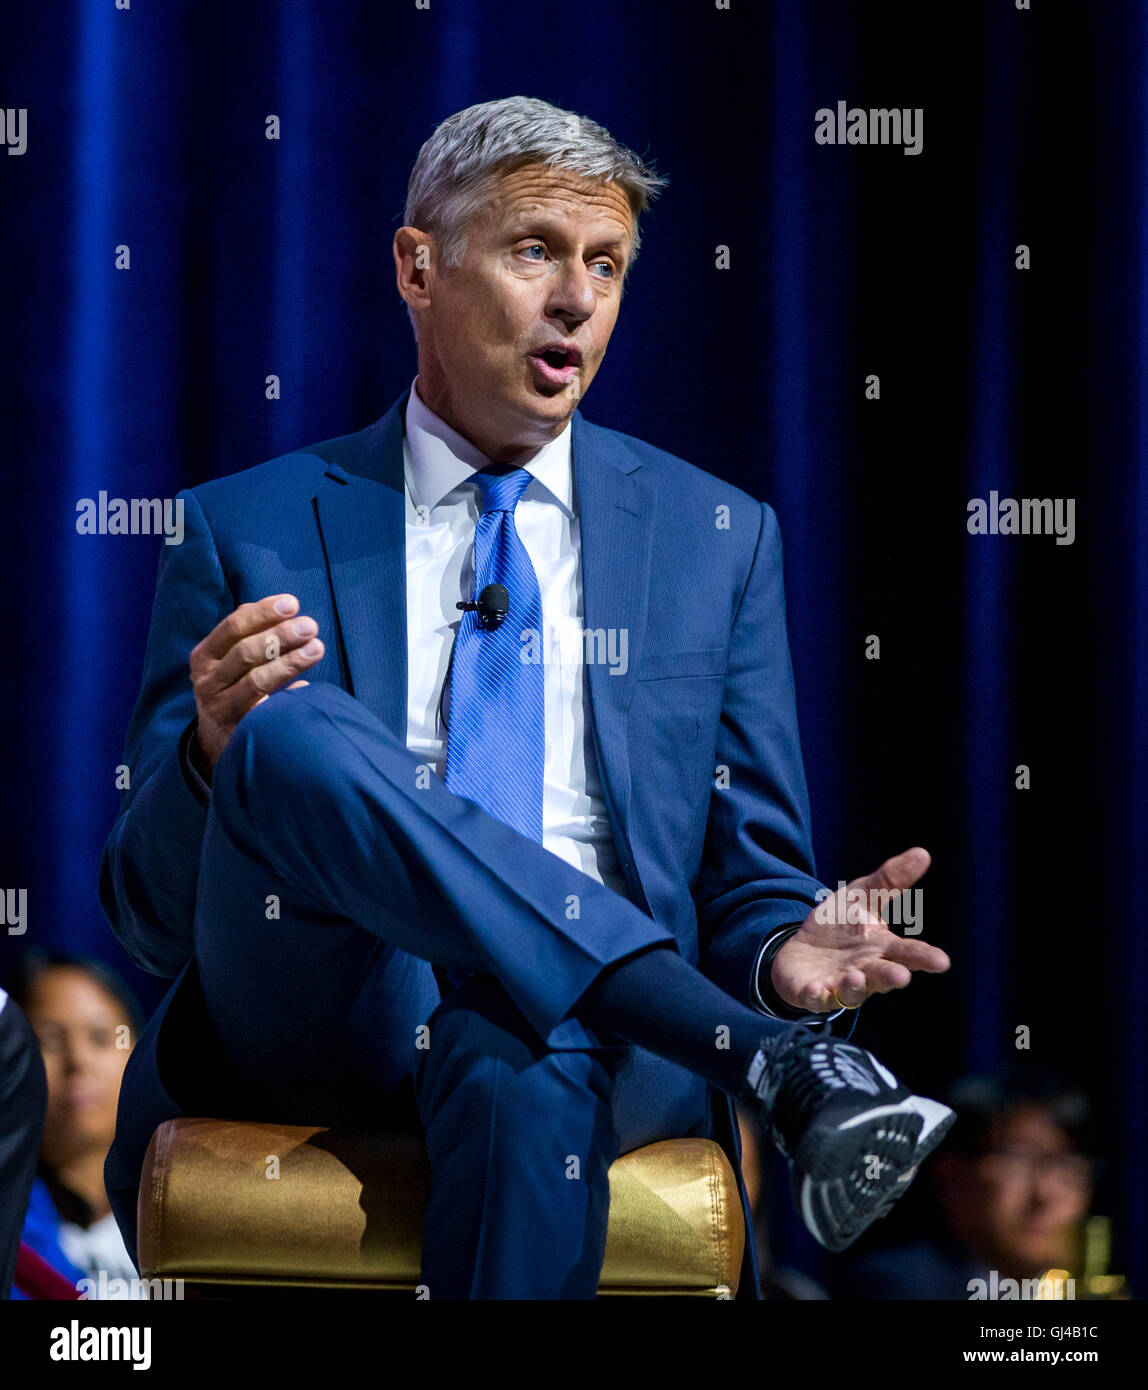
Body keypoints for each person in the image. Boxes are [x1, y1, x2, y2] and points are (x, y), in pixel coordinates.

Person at [100, 95, 955, 1300]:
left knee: (524, 1053)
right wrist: (200, 761)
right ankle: (777, 1068)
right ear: (417, 266)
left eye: (605, 265)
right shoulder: (242, 526)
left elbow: (748, 873)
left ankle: (724, 1028)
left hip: (589, 1051)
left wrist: (774, 958)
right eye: (534, 252)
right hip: (325, 1005)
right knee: (287, 728)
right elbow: (146, 916)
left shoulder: (715, 539)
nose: (576, 300)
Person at [838, 1068, 1097, 1300]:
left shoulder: (1083, 1289)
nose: (1045, 1196)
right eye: (1020, 1161)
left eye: (1066, 1167)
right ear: (951, 1177)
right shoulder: (897, 1288)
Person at [6, 954, 145, 1299]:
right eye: (48, 1040)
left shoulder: (197, 1219)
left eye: (100, 1038)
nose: (78, 1062)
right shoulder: (10, 1231)